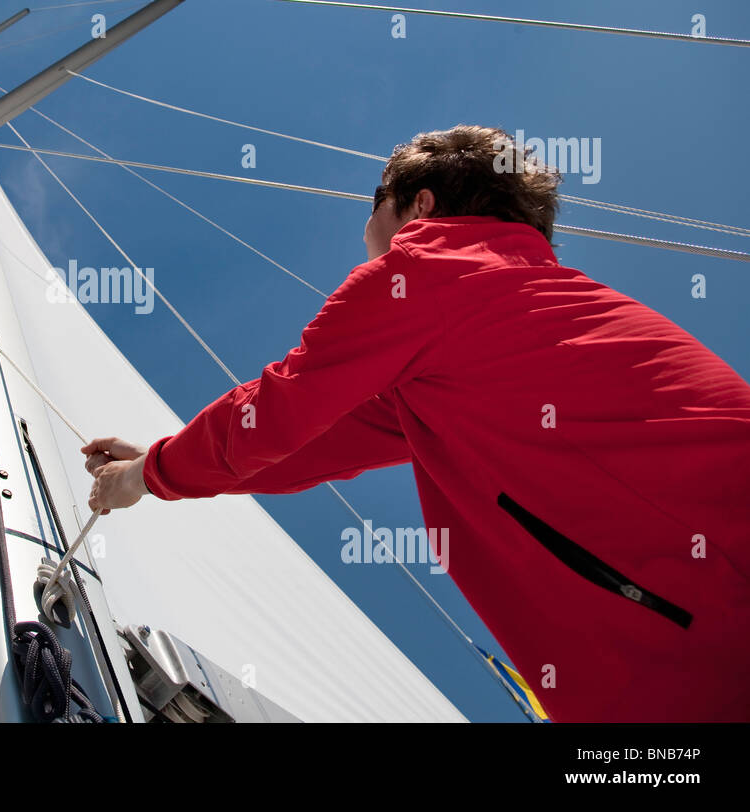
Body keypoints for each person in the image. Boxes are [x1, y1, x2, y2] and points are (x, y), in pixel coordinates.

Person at [82, 125, 750, 723]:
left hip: (706, 622)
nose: (364, 225)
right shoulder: (498, 307)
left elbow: (277, 412)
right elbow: (305, 441)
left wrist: (146, 476)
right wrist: (160, 463)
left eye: (374, 199)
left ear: (421, 205)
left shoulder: (429, 269)